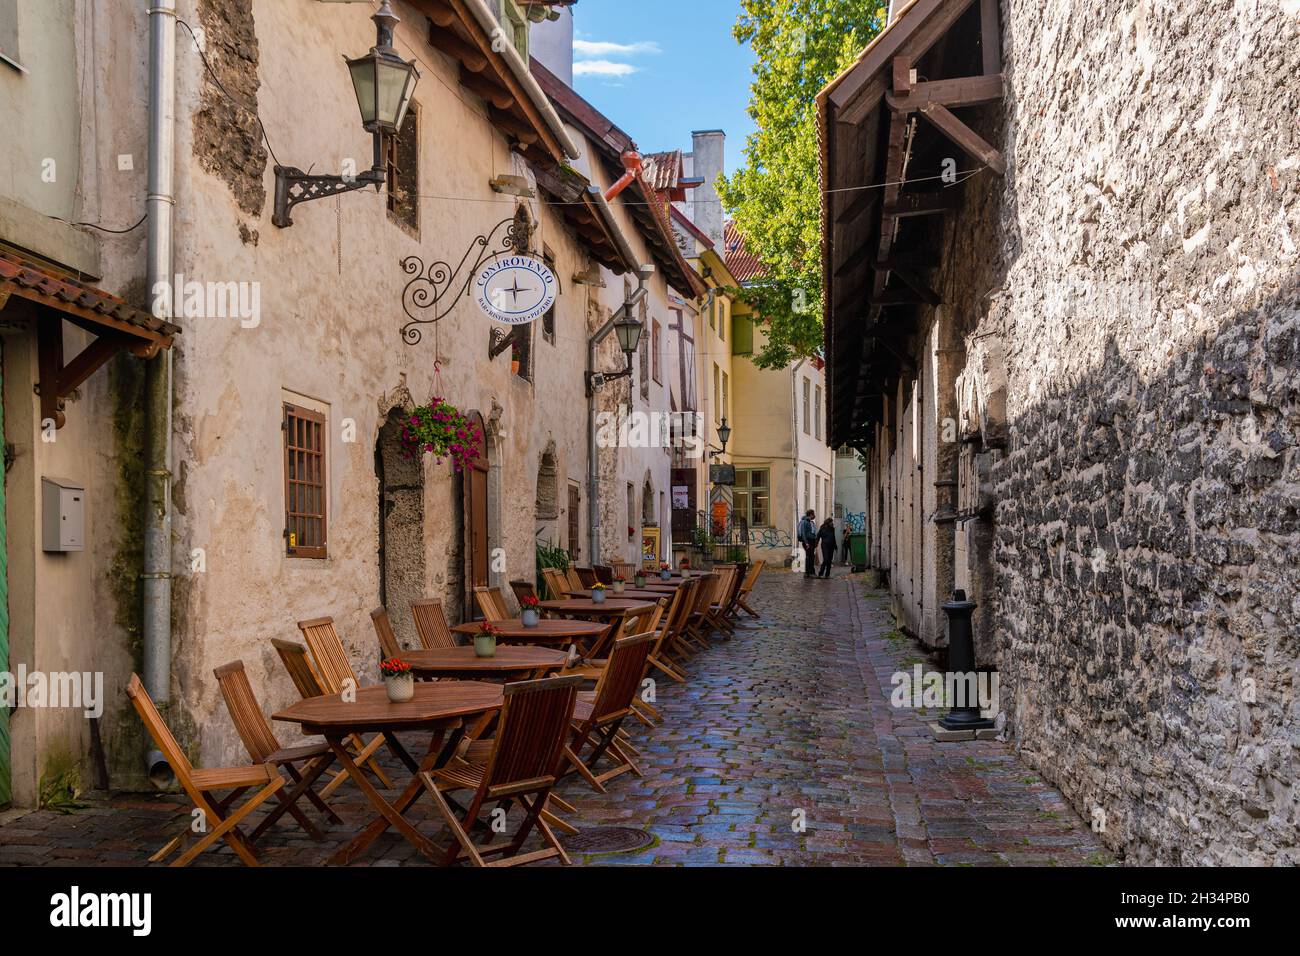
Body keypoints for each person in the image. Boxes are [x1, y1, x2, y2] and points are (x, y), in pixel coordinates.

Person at [797, 510, 818, 578]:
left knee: (810, 557)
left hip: (812, 541)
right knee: (810, 557)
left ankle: (808, 573)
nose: (814, 516)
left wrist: (815, 542)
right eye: (813, 514)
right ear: (810, 514)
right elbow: (803, 533)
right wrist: (806, 542)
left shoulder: (811, 522)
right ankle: (810, 572)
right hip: (808, 541)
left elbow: (813, 533)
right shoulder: (804, 522)